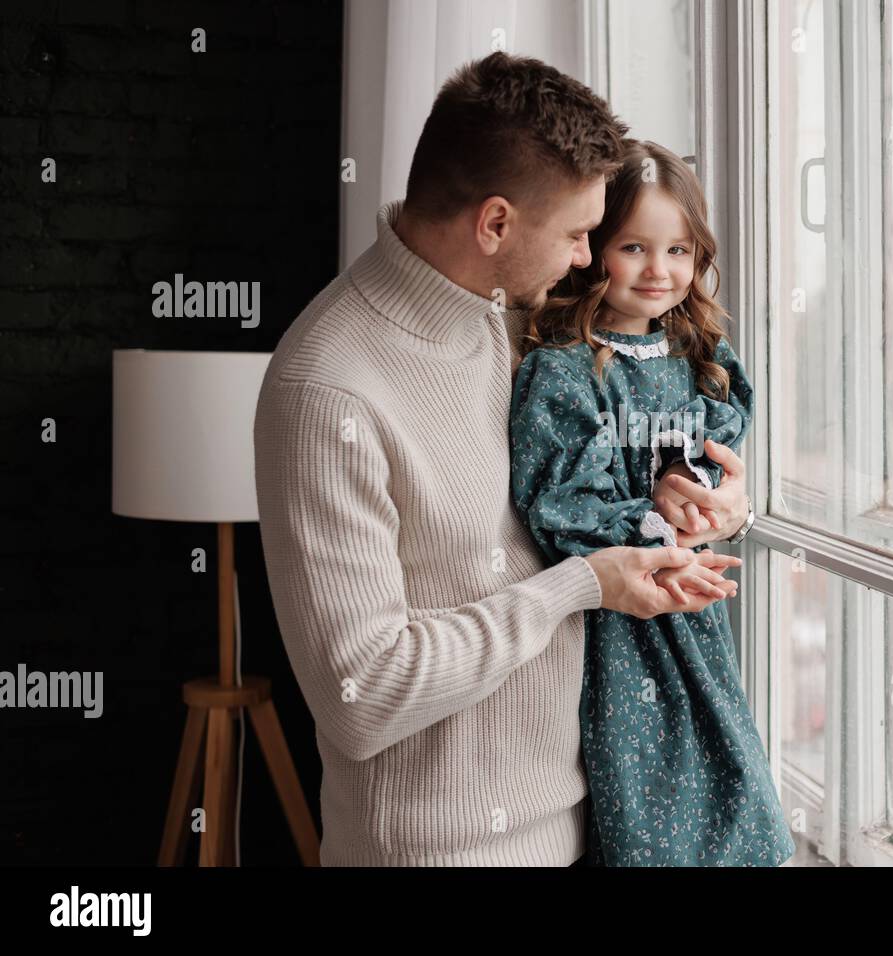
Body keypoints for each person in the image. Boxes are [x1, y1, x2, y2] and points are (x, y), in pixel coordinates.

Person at [252, 53, 753, 866]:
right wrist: (579, 587)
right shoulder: (328, 394)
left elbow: (620, 460)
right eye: (578, 234)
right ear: (495, 225)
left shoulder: (503, 322)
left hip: (578, 825)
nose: (592, 260)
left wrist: (720, 504)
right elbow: (364, 695)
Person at [510, 140, 794, 866]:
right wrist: (651, 514)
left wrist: (710, 496)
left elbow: (713, 466)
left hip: (696, 620)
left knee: (737, 794)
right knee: (645, 821)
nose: (659, 271)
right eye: (634, 247)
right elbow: (557, 505)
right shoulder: (565, 371)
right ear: (594, 248)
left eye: (679, 250)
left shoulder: (700, 358)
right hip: (616, 621)